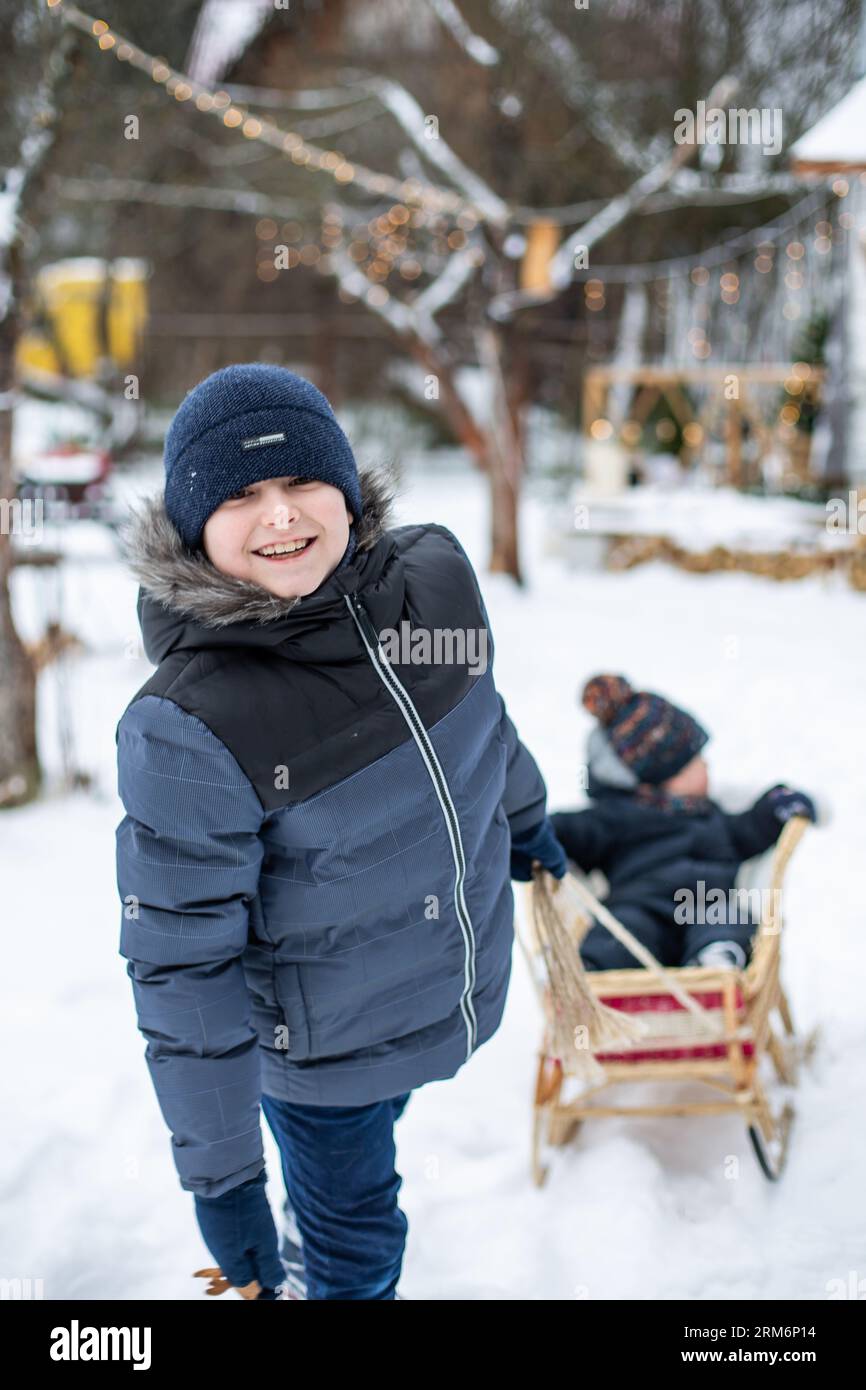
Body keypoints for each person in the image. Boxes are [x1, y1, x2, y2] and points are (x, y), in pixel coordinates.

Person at [114, 363, 566, 1301]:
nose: (280, 515)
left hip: (442, 985)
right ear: (195, 527)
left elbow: (484, 722)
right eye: (240, 495)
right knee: (358, 1255)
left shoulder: (435, 582)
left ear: (349, 491)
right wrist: (227, 1181)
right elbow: (181, 967)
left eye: (300, 482)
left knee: (361, 1180)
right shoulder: (192, 723)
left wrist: (525, 818)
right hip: (319, 1062)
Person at [549, 674, 816, 973]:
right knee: (620, 931)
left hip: (704, 901)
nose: (706, 765)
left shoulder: (709, 815)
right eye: (694, 761)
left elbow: (747, 831)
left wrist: (773, 808)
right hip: (641, 905)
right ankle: (595, 972)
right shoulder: (618, 816)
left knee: (728, 918)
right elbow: (575, 830)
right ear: (664, 776)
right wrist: (536, 831)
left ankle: (715, 962)